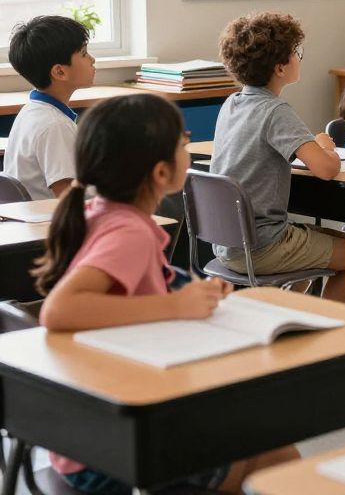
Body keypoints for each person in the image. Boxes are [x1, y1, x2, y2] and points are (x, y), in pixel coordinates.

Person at [34, 93, 298, 494]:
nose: (188, 150)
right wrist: (173, 305)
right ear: (160, 173)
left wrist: (189, 289)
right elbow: (60, 310)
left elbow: (139, 284)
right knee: (275, 453)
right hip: (114, 453)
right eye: (183, 143)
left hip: (88, 437)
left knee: (265, 438)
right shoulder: (129, 231)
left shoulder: (100, 213)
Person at [213, 11, 345, 301]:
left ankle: (298, 316)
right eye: (296, 52)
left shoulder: (233, 103)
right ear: (280, 68)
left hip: (228, 242)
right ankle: (326, 340)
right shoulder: (275, 111)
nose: (299, 57)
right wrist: (326, 147)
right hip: (263, 245)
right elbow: (326, 169)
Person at [4, 15, 96, 199]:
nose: (92, 59)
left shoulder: (31, 111)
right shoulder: (55, 125)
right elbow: (69, 197)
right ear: (59, 71)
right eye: (84, 54)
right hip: (52, 223)